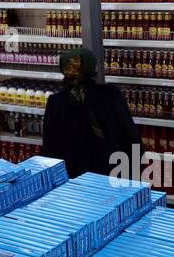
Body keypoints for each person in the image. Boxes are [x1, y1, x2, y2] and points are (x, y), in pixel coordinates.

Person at [41, 48, 141, 178]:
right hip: (112, 171)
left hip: (73, 176)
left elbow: (50, 148)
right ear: (94, 69)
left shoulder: (56, 102)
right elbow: (130, 135)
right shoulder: (111, 95)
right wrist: (137, 170)